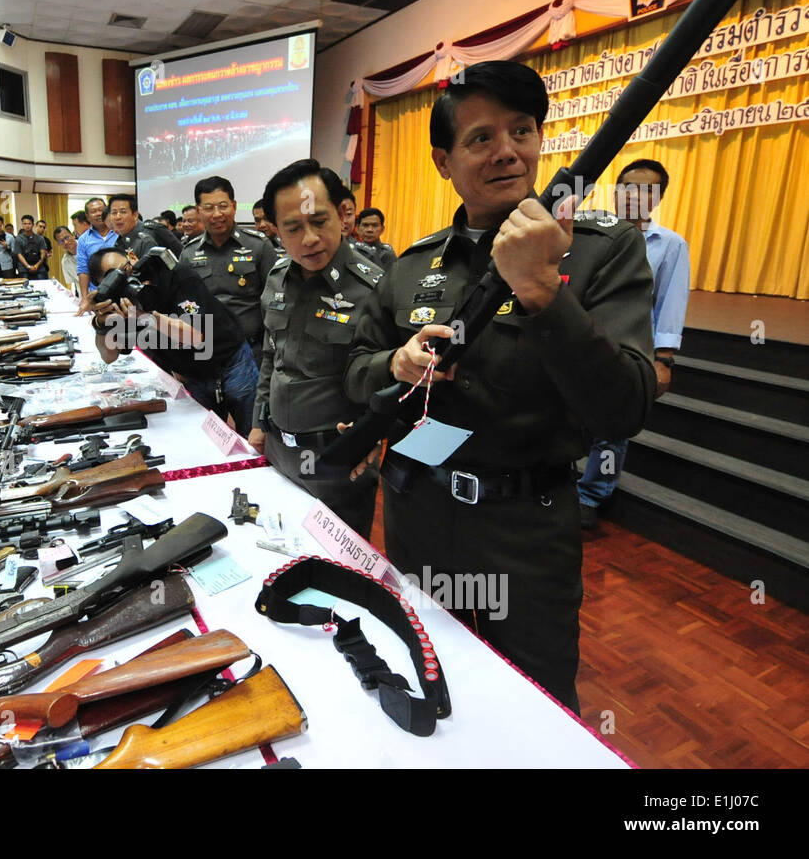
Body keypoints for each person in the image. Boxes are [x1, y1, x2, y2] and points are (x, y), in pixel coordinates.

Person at [342, 60, 655, 712]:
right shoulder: (412, 263)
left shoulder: (599, 250)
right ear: (442, 160)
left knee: (533, 707)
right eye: (481, 137)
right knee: (430, 679)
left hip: (526, 531)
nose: (507, 150)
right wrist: (394, 365)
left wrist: (543, 290)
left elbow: (624, 407)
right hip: (417, 515)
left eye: (522, 129)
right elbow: (356, 368)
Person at [246, 159, 383, 537]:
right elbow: (271, 355)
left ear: (342, 216)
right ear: (275, 231)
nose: (309, 239)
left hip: (336, 465)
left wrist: (375, 435)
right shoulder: (276, 279)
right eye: (293, 228)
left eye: (319, 222)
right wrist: (259, 422)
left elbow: (392, 383)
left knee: (334, 580)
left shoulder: (373, 289)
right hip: (277, 450)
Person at [578, 159, 690, 529]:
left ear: (658, 197)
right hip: (582, 342)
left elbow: (670, 303)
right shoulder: (593, 232)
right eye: (626, 185)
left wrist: (664, 360)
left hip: (629, 349)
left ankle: (592, 495)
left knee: (612, 427)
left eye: (645, 189)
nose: (632, 195)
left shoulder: (669, 244)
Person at [87, 246, 258, 434]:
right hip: (191, 374)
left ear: (133, 258)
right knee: (205, 436)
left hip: (230, 361)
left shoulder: (174, 275)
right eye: (113, 280)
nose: (125, 279)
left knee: (251, 432)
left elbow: (195, 336)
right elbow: (109, 356)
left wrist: (145, 317)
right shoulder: (120, 304)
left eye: (124, 269)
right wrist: (100, 323)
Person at [180, 176, 276, 361]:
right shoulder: (189, 253)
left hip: (252, 351)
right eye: (208, 208)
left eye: (223, 206)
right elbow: (184, 304)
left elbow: (275, 302)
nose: (217, 214)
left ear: (234, 206)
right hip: (206, 352)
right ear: (199, 211)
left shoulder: (259, 246)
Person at [75, 197, 117, 307]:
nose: (98, 213)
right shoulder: (83, 240)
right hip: (98, 294)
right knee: (104, 322)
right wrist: (85, 298)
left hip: (123, 291)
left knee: (129, 323)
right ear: (88, 217)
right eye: (93, 211)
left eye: (101, 209)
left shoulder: (120, 232)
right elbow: (83, 270)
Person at [106, 193, 158, 260]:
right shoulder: (120, 239)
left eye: (123, 212)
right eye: (114, 213)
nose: (118, 217)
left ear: (135, 215)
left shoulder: (146, 240)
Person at [14, 214, 46, 279]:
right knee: (24, 288)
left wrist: (37, 265)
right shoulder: (18, 238)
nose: (27, 226)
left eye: (29, 223)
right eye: (25, 224)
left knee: (42, 287)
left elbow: (43, 254)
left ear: (33, 224)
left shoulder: (40, 238)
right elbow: (19, 254)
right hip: (23, 269)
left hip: (39, 268)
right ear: (22, 225)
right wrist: (28, 266)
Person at [53, 224, 79, 295]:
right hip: (83, 296)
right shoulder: (65, 261)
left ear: (73, 235)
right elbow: (70, 283)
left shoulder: (87, 247)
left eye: (67, 237)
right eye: (61, 241)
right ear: (59, 244)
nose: (66, 242)